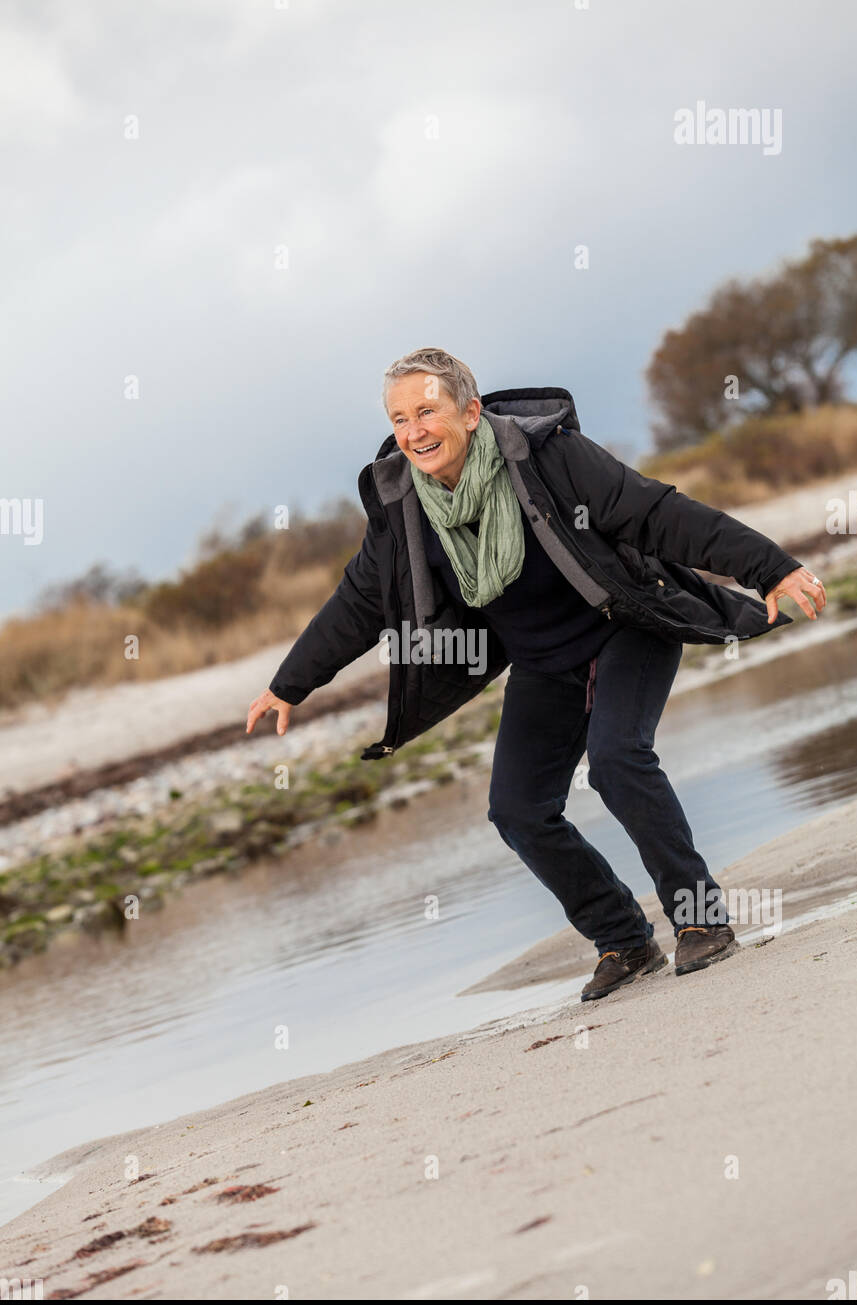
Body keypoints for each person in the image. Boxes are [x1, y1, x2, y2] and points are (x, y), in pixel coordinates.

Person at [247, 348, 826, 1001]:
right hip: (544, 664)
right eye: (399, 418)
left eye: (427, 411)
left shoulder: (551, 458)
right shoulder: (406, 505)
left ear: (470, 413)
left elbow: (658, 516)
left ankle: (700, 919)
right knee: (518, 809)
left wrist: (770, 567)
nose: (413, 431)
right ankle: (626, 942)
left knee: (616, 761)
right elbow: (358, 602)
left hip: (626, 627)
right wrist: (289, 683)